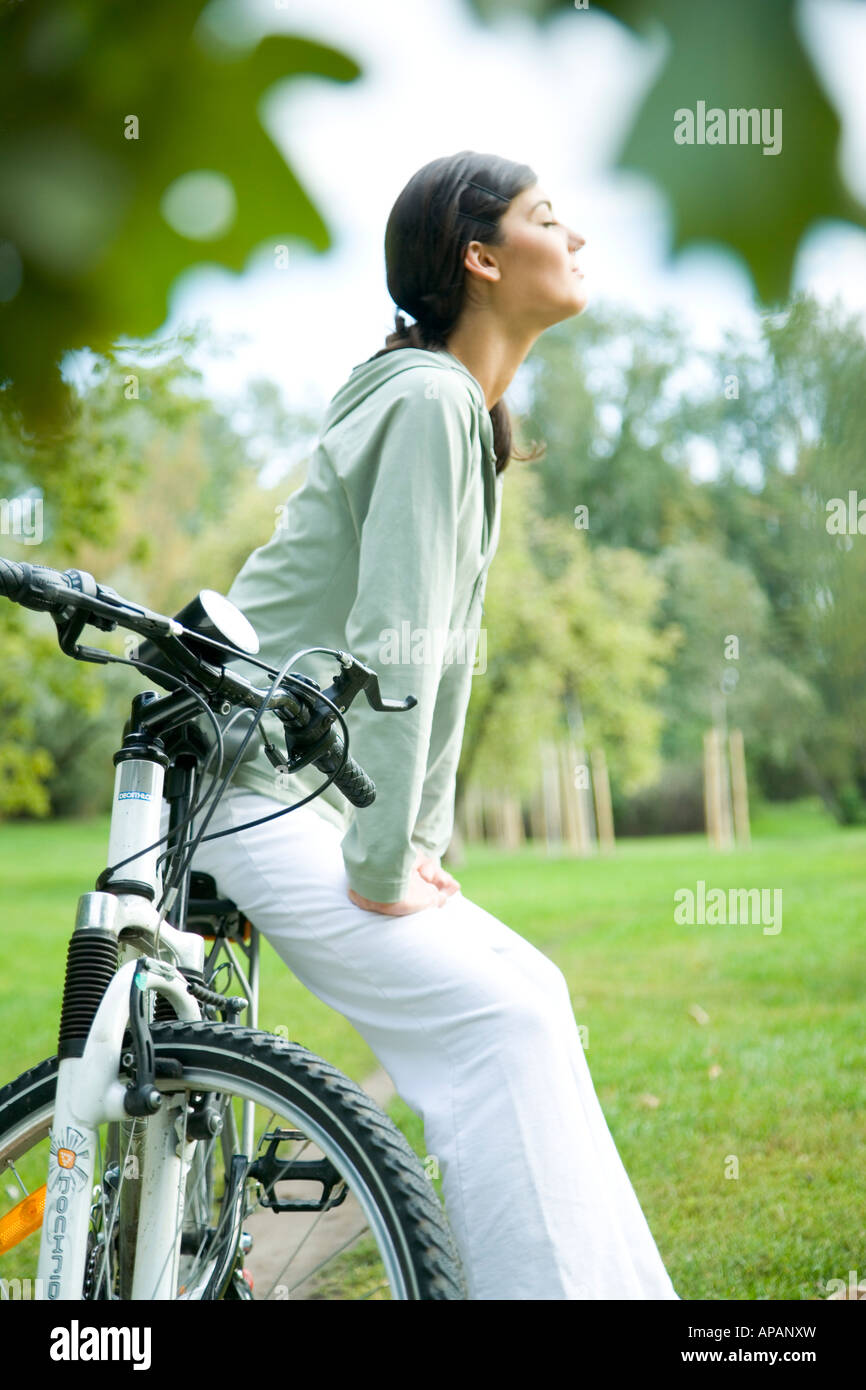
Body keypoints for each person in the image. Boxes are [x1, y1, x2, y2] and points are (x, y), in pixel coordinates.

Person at [187, 150, 680, 1300]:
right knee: (499, 1020)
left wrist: (416, 847)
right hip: (236, 786)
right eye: (548, 217)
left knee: (533, 995)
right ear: (479, 257)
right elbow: (395, 640)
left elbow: (443, 653)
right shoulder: (426, 402)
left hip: (287, 787)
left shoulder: (453, 409)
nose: (577, 238)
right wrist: (380, 861)